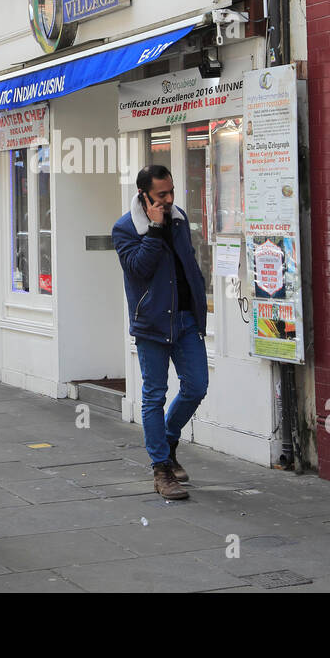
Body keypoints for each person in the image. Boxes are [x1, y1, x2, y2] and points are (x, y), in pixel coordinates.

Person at [112, 164, 209, 501]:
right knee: (154, 395)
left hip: (185, 320)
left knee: (197, 386)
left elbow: (188, 265)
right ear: (144, 195)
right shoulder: (125, 228)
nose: (169, 200)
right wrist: (154, 228)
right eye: (161, 195)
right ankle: (161, 470)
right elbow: (138, 269)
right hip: (152, 323)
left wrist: (200, 305)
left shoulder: (180, 220)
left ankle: (167, 442)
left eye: (171, 192)